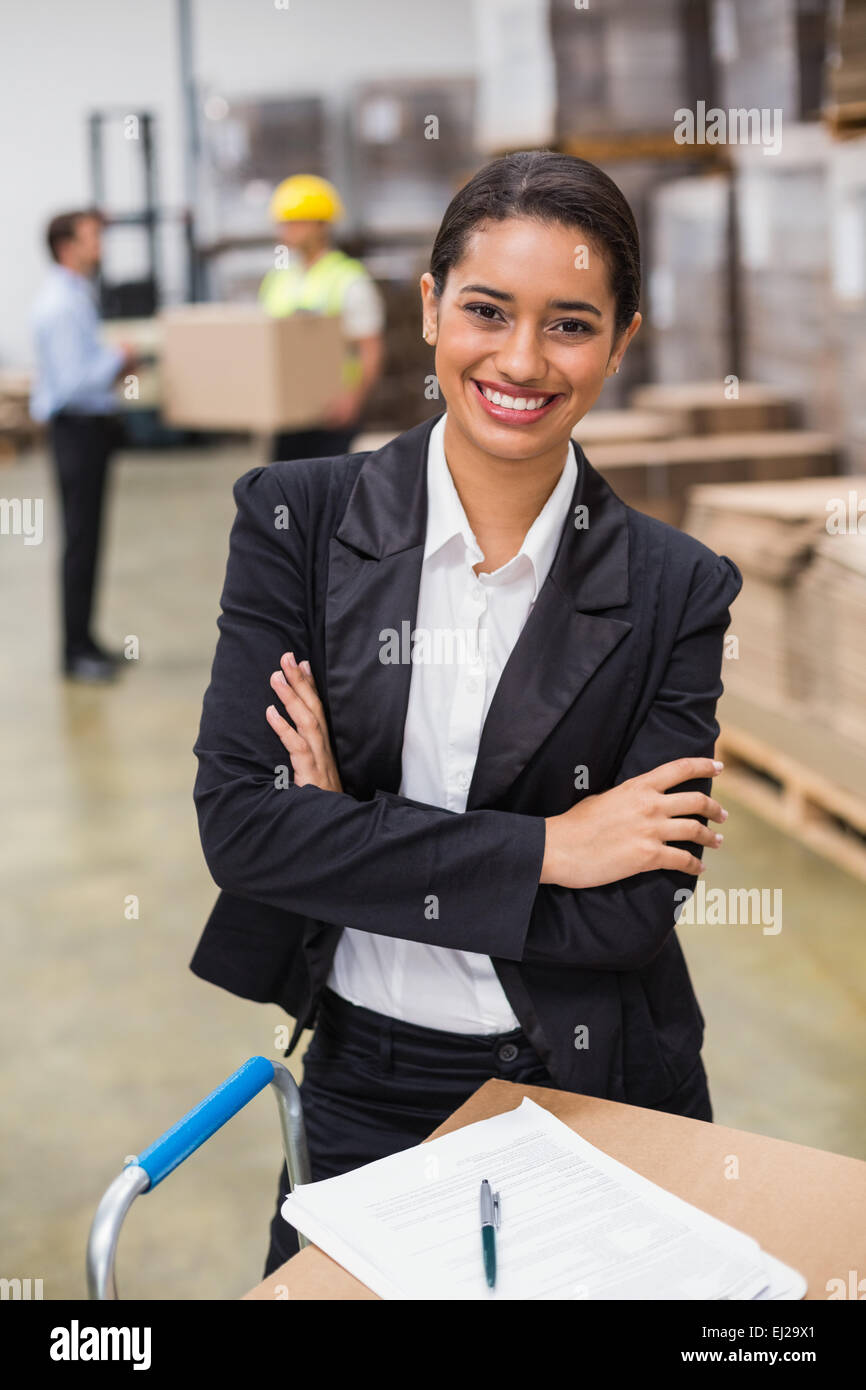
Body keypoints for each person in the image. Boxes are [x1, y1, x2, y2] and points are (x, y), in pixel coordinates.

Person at [190, 150, 743, 1279]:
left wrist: (346, 837)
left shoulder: (678, 588)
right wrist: (552, 848)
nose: (521, 361)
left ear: (621, 340)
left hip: (595, 1078)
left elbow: (629, 916)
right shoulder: (296, 520)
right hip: (364, 1084)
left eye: (570, 325)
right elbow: (243, 832)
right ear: (430, 305)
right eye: (486, 310)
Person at [30, 208, 135, 682]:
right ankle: (74, 652)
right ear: (67, 246)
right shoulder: (60, 303)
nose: (101, 246)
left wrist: (113, 366)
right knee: (79, 542)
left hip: (89, 427)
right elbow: (73, 382)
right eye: (92, 237)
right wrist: (119, 357)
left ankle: (86, 640)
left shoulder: (76, 295)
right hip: (75, 429)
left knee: (89, 540)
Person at [258, 174, 385, 462]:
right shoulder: (277, 280)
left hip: (332, 414)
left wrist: (353, 398)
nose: (285, 231)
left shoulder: (349, 279)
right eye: (283, 223)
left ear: (321, 225)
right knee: (285, 492)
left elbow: (370, 347)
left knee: (332, 495)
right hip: (287, 415)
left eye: (295, 222)